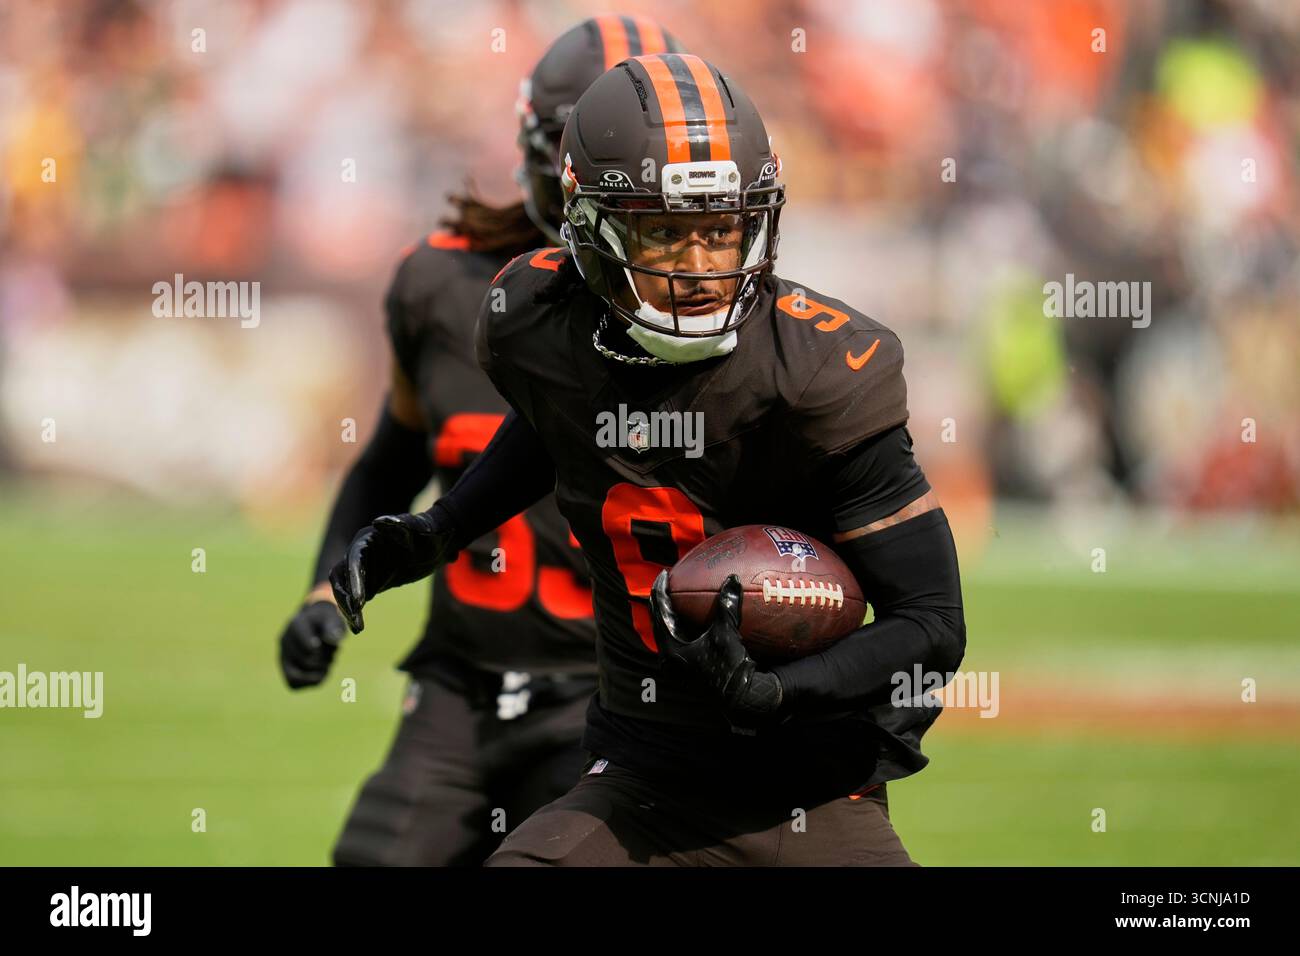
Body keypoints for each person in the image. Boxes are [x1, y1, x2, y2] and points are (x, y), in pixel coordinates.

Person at [331, 53, 965, 866]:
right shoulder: (537, 319)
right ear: (590, 228)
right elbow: (555, 424)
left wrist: (780, 690)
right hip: (643, 776)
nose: (700, 267)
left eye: (720, 229)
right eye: (666, 233)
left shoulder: (816, 372)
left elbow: (932, 625)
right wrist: (441, 528)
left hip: (809, 789)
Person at [276, 17, 684, 866]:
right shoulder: (440, 284)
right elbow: (392, 457)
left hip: (611, 700)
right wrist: (325, 590)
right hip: (459, 692)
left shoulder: (691, 323)